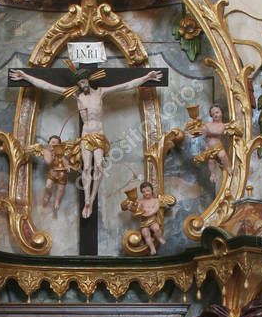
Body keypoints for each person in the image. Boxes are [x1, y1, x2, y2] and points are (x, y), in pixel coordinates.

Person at [10, 67, 162, 218]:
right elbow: (49, 86)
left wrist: (146, 78)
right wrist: (26, 76)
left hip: (99, 134)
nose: (82, 85)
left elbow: (125, 85)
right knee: (87, 167)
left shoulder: (101, 92)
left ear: (88, 80)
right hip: (86, 135)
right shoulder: (76, 95)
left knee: (98, 166)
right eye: (80, 83)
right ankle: (87, 201)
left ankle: (92, 196)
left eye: (84, 81)